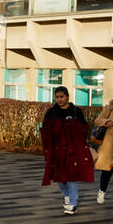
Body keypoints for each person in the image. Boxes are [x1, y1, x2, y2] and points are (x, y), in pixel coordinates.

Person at [40, 86, 94, 214]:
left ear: (67, 97)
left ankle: (73, 203)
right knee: (58, 175)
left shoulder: (76, 111)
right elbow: (46, 130)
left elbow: (84, 128)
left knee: (72, 176)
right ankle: (67, 195)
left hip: (73, 149)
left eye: (62, 97)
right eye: (57, 97)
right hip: (57, 149)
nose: (59, 99)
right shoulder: (51, 112)